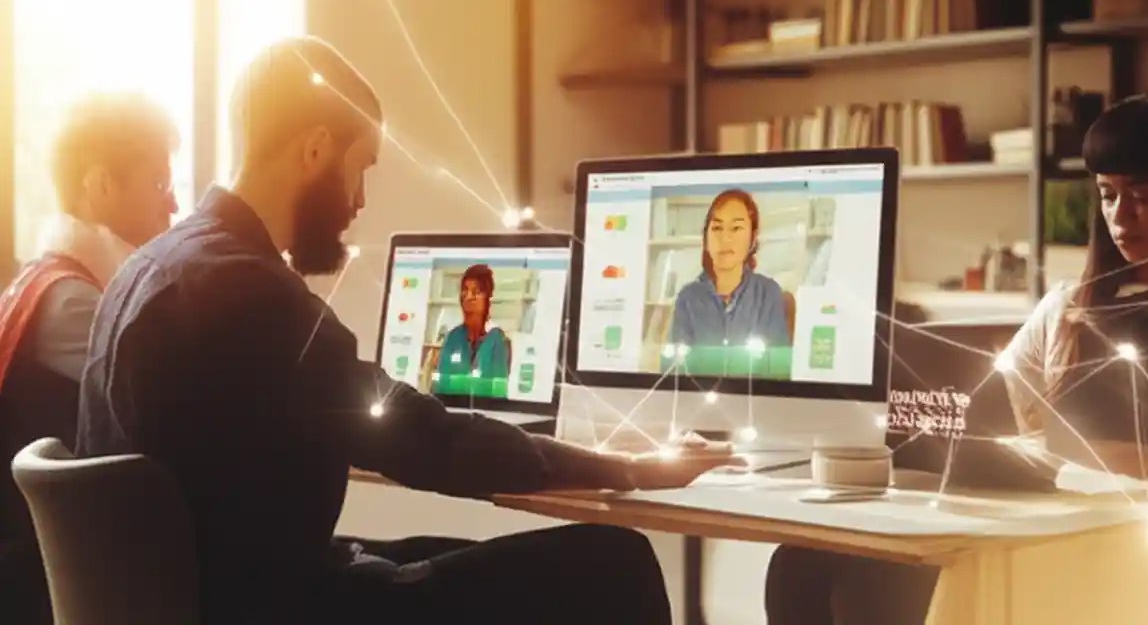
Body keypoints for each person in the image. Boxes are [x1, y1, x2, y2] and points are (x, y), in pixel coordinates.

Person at [75, 35, 734, 625]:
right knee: (611, 563)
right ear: (314, 149)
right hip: (277, 606)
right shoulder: (248, 294)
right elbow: (428, 440)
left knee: (476, 562)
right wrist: (632, 469)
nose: (360, 199)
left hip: (209, 596)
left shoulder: (145, 269)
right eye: (361, 167)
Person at [764, 95, 1148, 624]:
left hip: (1145, 547)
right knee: (800, 562)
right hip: (1033, 522)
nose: (1119, 216)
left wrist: (1087, 448)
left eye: (1141, 195)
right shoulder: (1066, 307)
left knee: (871, 586)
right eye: (1107, 195)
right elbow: (988, 402)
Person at [0, 92, 178, 625]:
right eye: (159, 183)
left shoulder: (42, 283)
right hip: (48, 576)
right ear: (101, 184)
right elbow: (166, 405)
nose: (172, 205)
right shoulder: (74, 304)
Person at [670, 188, 790, 349]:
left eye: (736, 228)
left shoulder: (768, 294)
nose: (725, 238)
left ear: (752, 239)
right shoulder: (688, 298)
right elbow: (675, 367)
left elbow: (777, 366)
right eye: (717, 228)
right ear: (706, 238)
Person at [435, 264, 511, 384]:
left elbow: (499, 388)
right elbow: (440, 383)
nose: (468, 297)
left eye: (476, 292)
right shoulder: (453, 337)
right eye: (465, 290)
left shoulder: (498, 339)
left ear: (488, 298)